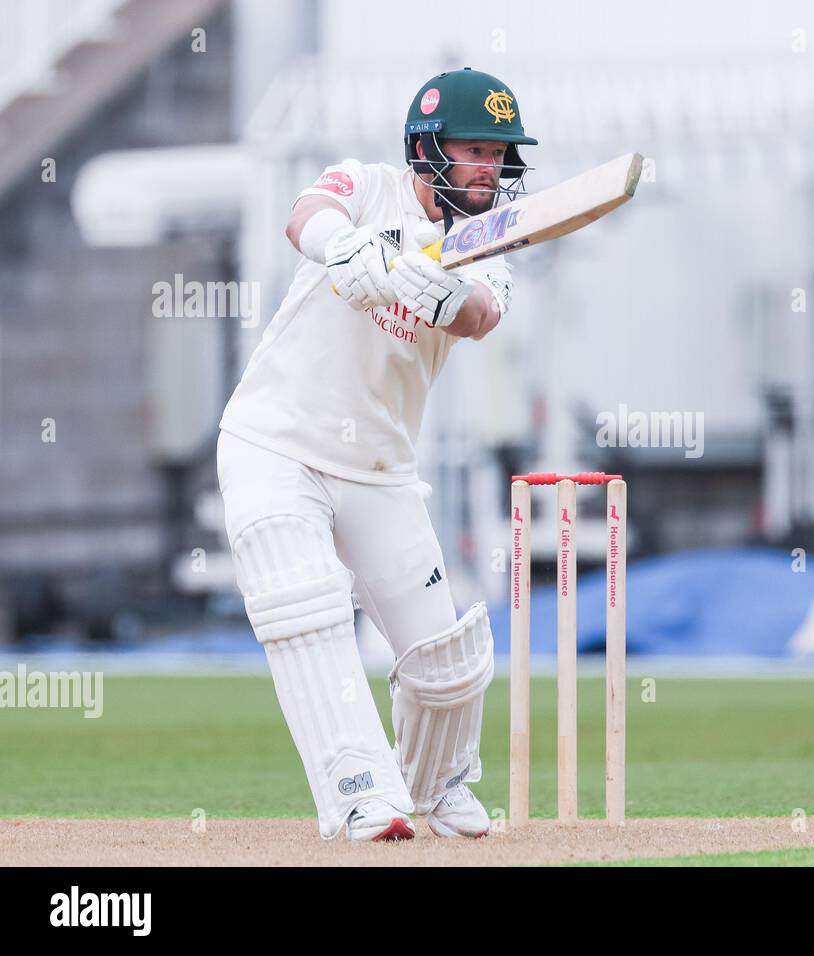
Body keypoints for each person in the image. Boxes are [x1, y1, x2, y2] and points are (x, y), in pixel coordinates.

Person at [215, 67, 535, 841]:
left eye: (501, 153)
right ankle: (361, 792)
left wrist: (445, 294)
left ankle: (439, 786)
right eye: (474, 150)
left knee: (447, 663)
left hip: (381, 469)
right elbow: (306, 214)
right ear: (425, 151)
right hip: (275, 439)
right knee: (305, 600)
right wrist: (351, 247)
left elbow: (484, 312)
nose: (491, 168)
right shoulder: (367, 184)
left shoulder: (488, 241)